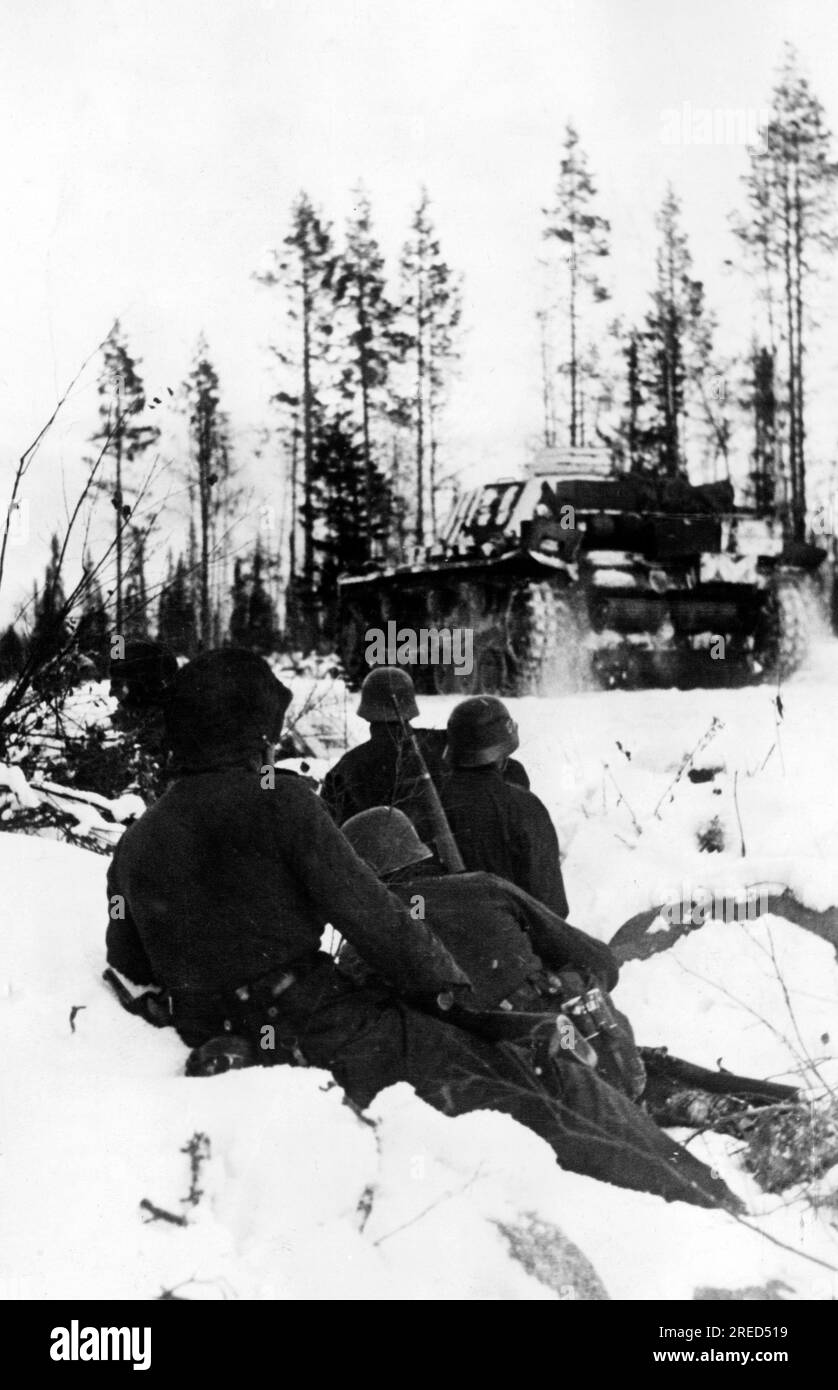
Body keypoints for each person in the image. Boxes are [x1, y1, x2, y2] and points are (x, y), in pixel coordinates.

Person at [104, 649, 736, 1212]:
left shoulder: (135, 843)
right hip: (326, 1030)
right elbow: (373, 918)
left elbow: (129, 963)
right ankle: (702, 1198)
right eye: (267, 735)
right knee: (538, 1073)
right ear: (249, 737)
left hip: (225, 1035)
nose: (271, 748)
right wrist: (448, 995)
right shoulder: (283, 801)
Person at [337, 807, 742, 1212]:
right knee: (637, 1076)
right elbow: (599, 960)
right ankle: (728, 1112)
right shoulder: (483, 888)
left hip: (503, 1088)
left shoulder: (362, 951)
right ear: (417, 851)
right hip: (577, 1048)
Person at [320, 667, 530, 841]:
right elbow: (503, 771)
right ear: (411, 706)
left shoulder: (347, 767)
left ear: (365, 713)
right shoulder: (447, 745)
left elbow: (333, 834)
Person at [439, 695, 570, 917]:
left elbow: (417, 899)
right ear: (503, 751)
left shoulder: (431, 801)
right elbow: (553, 907)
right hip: (513, 941)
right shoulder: (526, 806)